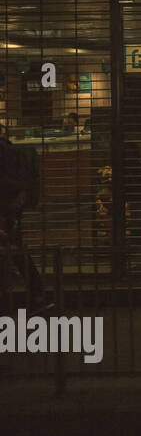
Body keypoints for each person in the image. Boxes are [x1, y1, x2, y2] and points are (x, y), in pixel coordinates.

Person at [0, 131, 49, 313]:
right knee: (15, 250)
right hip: (13, 207)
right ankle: (37, 297)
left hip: (4, 208)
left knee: (13, 251)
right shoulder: (10, 149)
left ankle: (34, 296)